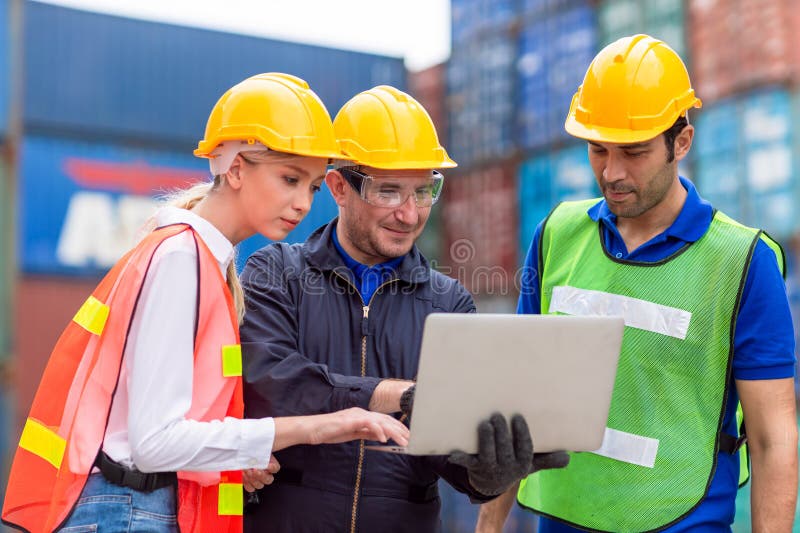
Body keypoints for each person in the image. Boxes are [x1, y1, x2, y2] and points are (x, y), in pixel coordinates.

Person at [1, 73, 408, 533]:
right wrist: (321, 425)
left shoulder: (199, 258)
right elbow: (154, 443)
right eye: (290, 178)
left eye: (312, 187)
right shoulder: (181, 257)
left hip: (134, 508)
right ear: (235, 169)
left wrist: (236, 461)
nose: (301, 202)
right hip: (128, 513)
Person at [475, 34, 798, 533]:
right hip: (562, 522)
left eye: (634, 151)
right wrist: (487, 528)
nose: (612, 172)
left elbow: (773, 437)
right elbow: (518, 397)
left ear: (682, 142)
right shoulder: (556, 235)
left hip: (686, 523)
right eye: (597, 150)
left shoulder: (743, 261)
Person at [239, 85, 567, 532]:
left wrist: (487, 475)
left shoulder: (448, 304)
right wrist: (393, 394)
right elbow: (272, 387)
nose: (410, 215)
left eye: (424, 191)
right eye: (389, 192)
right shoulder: (274, 274)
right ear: (338, 186)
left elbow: (449, 449)